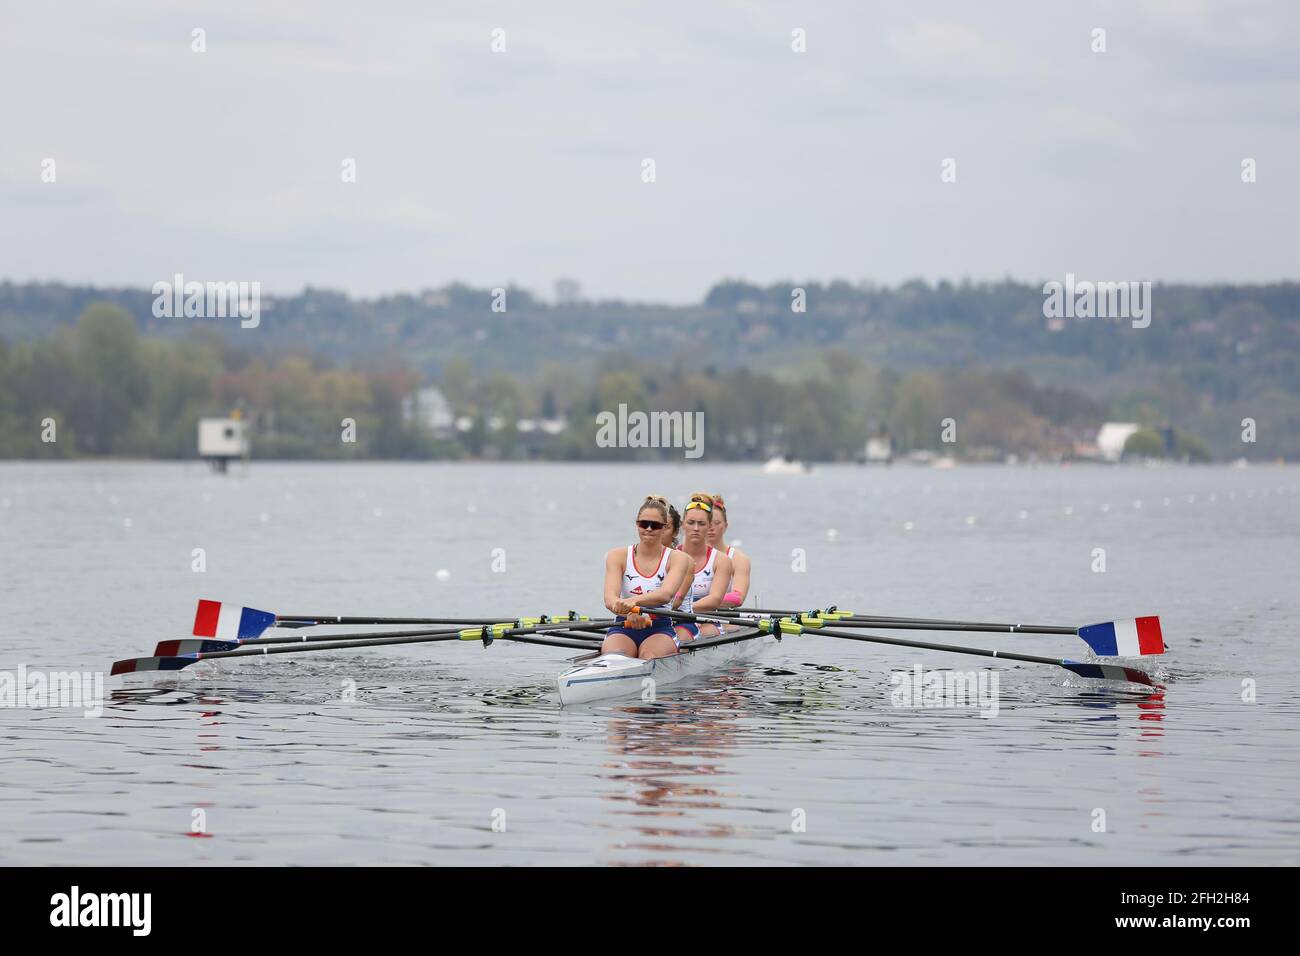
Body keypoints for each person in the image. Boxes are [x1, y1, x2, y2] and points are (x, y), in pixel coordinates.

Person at [601, 495, 693, 660]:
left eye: (655, 525)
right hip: (624, 624)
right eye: (644, 524)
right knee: (614, 657)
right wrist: (630, 612)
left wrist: (633, 603)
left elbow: (666, 594)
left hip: (659, 627)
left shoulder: (678, 558)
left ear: (665, 528)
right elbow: (610, 598)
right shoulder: (617, 556)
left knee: (648, 655)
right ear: (637, 525)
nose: (649, 529)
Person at [676, 493, 734, 637]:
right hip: (671, 617)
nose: (696, 528)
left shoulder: (721, 560)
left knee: (702, 633)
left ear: (709, 526)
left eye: (701, 524)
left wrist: (679, 610)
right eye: (691, 522)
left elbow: (714, 599)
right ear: (682, 525)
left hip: (707, 620)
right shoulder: (670, 556)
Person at [705, 493, 751, 607]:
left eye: (716, 523)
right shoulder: (684, 555)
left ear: (726, 525)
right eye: (707, 523)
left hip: (724, 617)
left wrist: (699, 603)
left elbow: (737, 597)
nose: (711, 528)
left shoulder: (739, 559)